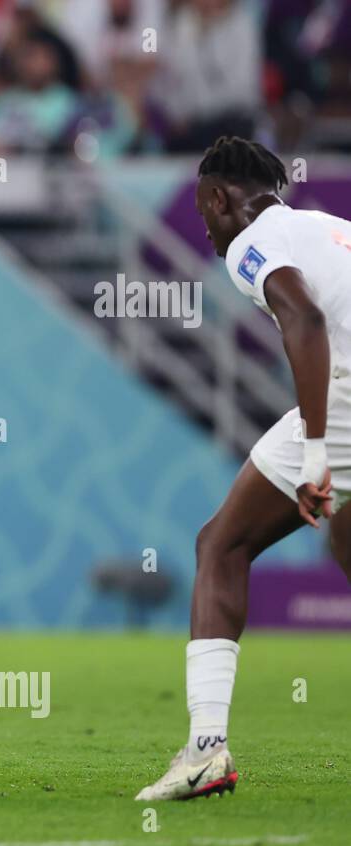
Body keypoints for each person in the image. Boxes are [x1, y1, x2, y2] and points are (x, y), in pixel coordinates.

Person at [137, 136, 351, 800]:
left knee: (221, 543)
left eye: (204, 207)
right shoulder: (326, 227)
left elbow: (308, 322)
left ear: (219, 196)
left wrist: (316, 454)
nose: (203, 225)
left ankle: (205, 749)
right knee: (346, 540)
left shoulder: (251, 243)